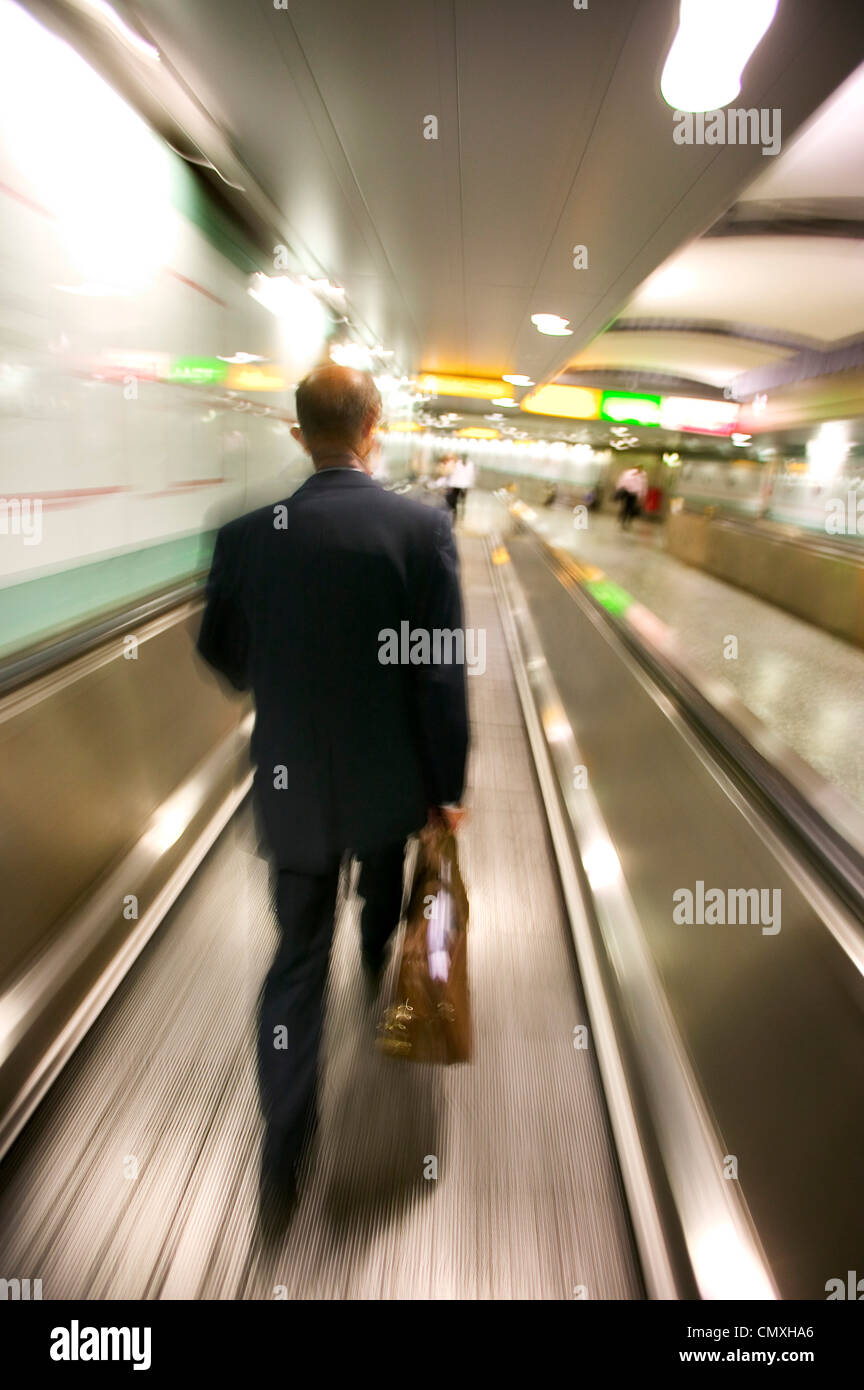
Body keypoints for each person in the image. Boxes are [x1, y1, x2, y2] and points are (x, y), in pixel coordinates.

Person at [196, 364, 469, 1218]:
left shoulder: (245, 534)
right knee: (382, 878)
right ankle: (377, 949)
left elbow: (222, 653)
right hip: (389, 780)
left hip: (294, 783)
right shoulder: (419, 531)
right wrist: (445, 785)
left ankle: (284, 1148)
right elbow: (438, 675)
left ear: (295, 433)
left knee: (293, 960)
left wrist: (274, 679)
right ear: (373, 427)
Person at [446, 454, 476, 523]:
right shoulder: (458, 464)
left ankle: (462, 515)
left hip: (465, 486)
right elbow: (454, 474)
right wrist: (451, 485)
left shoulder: (471, 464)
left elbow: (471, 476)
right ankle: (454, 514)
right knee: (454, 501)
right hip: (456, 485)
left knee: (463, 501)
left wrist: (470, 487)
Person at [615, 465, 646, 529]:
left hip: (634, 494)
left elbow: (642, 487)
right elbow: (622, 483)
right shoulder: (628, 474)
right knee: (625, 508)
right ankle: (622, 521)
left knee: (630, 508)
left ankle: (626, 521)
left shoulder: (641, 477)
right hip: (627, 493)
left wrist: (641, 496)